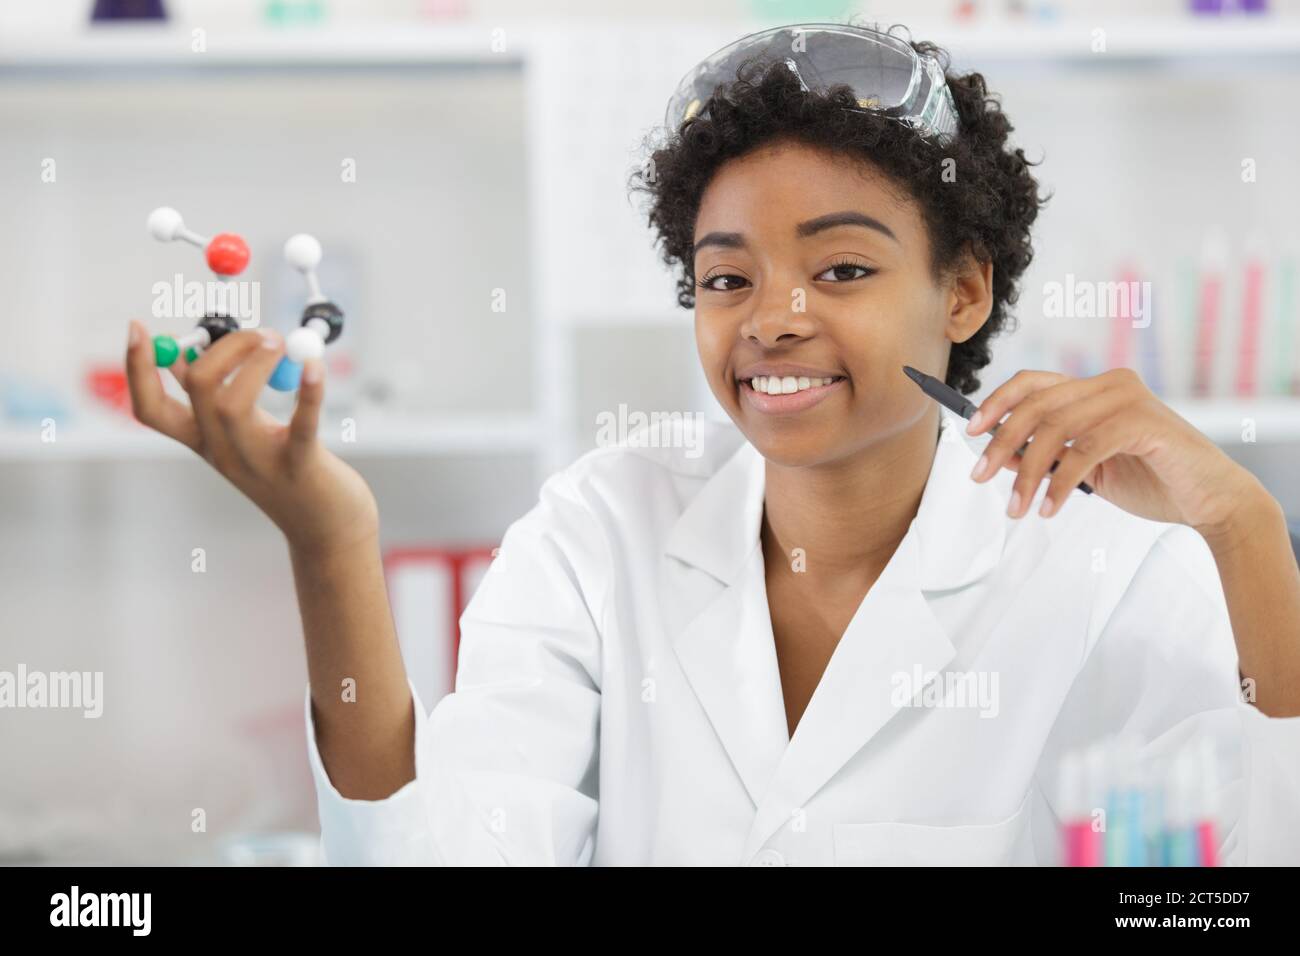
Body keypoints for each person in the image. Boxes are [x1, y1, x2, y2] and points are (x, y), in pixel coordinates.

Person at [124, 23, 1300, 865]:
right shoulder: (600, 529)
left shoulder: (1109, 564)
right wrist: (333, 540)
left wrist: (1243, 530)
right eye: (724, 275)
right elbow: (443, 851)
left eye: (841, 268)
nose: (770, 316)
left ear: (963, 292)